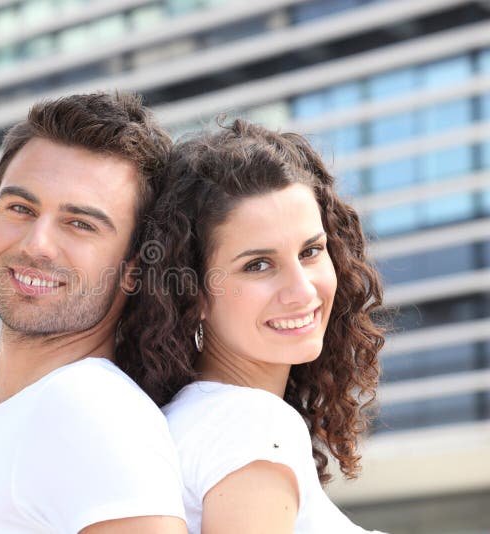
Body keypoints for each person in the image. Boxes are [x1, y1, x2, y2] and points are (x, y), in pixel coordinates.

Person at [0, 92, 188, 533]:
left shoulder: (90, 411)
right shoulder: (42, 416)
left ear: (133, 268)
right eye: (20, 208)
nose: (36, 244)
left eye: (80, 224)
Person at [117, 118, 387, 534]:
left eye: (312, 251)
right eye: (258, 265)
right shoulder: (251, 425)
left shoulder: (193, 422)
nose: (301, 290)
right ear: (193, 292)